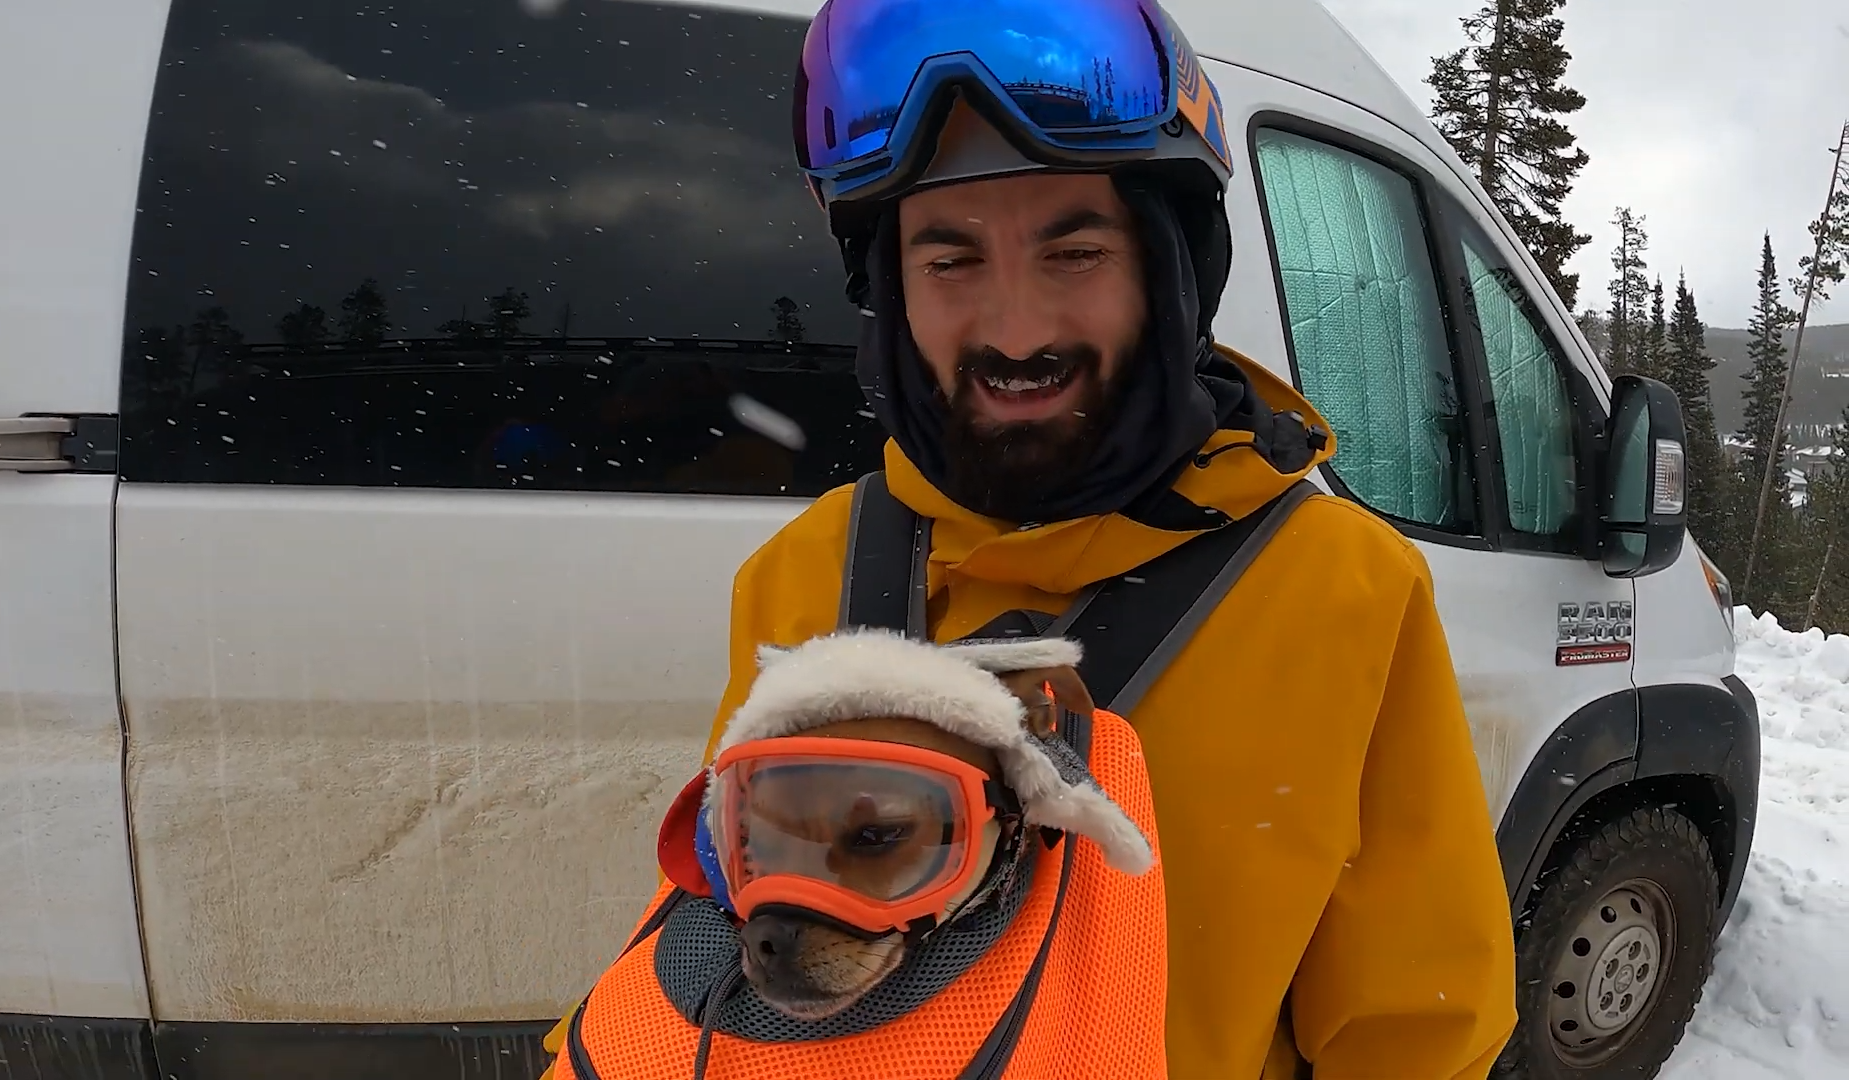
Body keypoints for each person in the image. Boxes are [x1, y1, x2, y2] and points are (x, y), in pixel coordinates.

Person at [545, 0, 1517, 1074]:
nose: (1015, 329)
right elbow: (736, 943)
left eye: (1075, 252)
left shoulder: (1344, 591)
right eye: (950, 261)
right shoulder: (805, 569)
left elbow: (1415, 1029)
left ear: (1168, 274)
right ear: (891, 295)